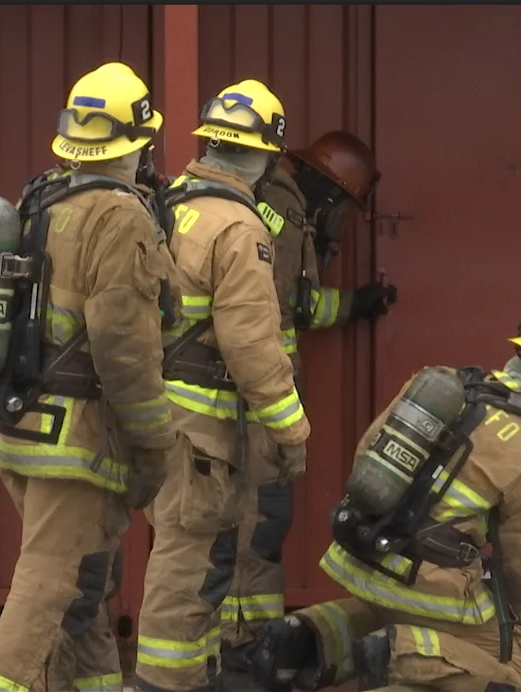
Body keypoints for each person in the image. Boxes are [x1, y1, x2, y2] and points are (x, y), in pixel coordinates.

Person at [249, 311, 521, 692]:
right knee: (513, 670)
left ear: (517, 354)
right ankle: (398, 655)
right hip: (428, 586)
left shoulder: (441, 387)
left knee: (392, 611)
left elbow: (368, 455)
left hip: (362, 557)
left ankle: (308, 639)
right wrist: (513, 627)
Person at [0, 61, 178, 692]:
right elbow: (124, 343)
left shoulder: (38, 200)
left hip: (27, 429)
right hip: (81, 441)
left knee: (87, 590)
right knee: (48, 585)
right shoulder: (119, 217)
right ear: (137, 143)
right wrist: (153, 439)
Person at [134, 79, 312, 692]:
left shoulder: (165, 202)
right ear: (267, 155)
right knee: (191, 564)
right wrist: (290, 431)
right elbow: (252, 346)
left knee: (185, 555)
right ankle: (166, 683)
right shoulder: (238, 227)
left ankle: (189, 674)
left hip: (154, 415)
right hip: (200, 429)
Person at [219, 130, 390, 670]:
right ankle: (246, 645)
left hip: (237, 394)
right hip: (259, 398)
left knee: (248, 518)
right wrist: (354, 305)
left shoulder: (263, 198)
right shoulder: (286, 211)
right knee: (260, 518)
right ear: (329, 189)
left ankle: (247, 638)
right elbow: (296, 305)